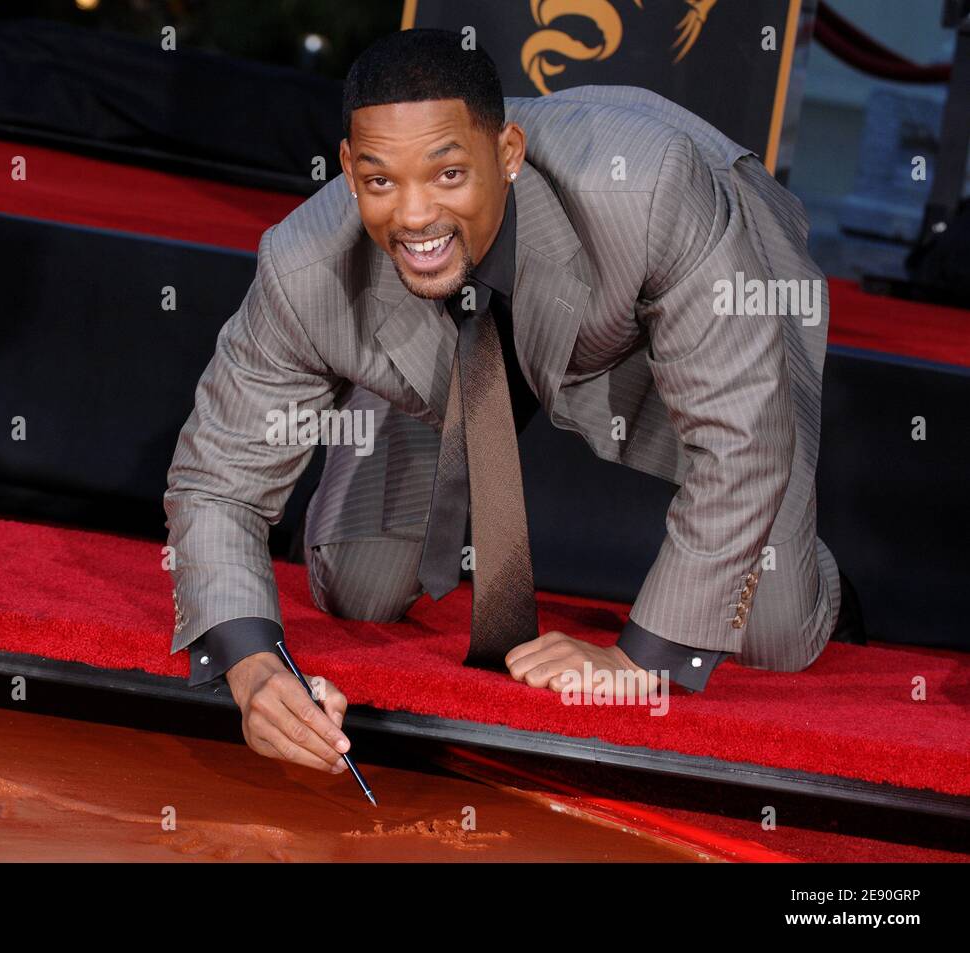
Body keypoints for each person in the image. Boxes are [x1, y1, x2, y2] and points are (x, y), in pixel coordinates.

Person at [164, 29, 862, 775]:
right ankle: (434, 383)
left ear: (507, 154)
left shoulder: (653, 189)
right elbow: (215, 480)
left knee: (775, 630)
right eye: (379, 182)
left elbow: (742, 434)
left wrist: (641, 660)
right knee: (356, 587)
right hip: (445, 332)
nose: (413, 215)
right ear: (347, 169)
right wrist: (251, 668)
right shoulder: (304, 262)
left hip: (690, 275)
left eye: (448, 173)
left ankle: (822, 581)